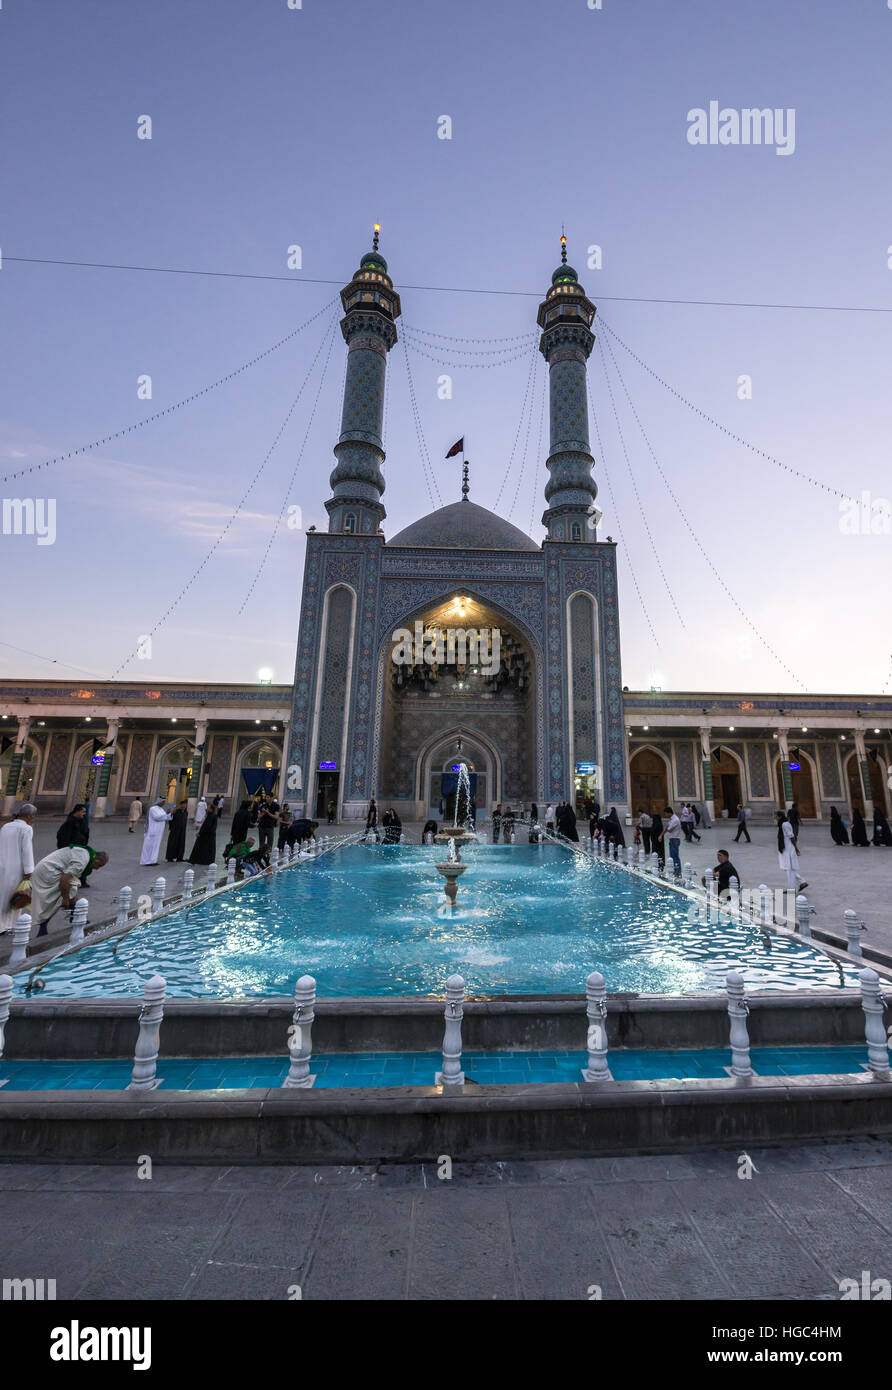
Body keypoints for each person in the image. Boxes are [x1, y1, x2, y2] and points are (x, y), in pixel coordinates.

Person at [31, 845, 108, 937]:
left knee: (72, 889)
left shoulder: (86, 853)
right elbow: (64, 880)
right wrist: (65, 899)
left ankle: (74, 916)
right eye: (99, 865)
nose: (97, 869)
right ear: (96, 859)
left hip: (45, 868)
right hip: (48, 871)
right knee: (60, 896)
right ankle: (44, 929)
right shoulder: (81, 862)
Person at [0, 802, 36, 935]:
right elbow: (26, 850)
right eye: (33, 816)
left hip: (2, 865)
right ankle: (9, 926)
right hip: (16, 868)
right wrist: (28, 871)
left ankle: (1, 925)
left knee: (2, 895)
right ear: (28, 816)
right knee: (15, 896)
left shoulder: (6, 826)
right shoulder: (26, 829)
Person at [776, 809, 807, 893]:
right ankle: (801, 882)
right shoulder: (782, 824)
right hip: (785, 849)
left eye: (776, 817)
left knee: (789, 869)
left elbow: (791, 836)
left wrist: (796, 848)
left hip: (788, 849)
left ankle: (792, 889)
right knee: (789, 869)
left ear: (780, 816)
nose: (776, 818)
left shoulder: (785, 824)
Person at [140, 799, 172, 866]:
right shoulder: (153, 809)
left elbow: (166, 818)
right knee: (149, 846)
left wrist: (170, 814)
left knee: (156, 846)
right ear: (159, 802)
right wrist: (166, 813)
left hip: (159, 831)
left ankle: (153, 860)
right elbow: (157, 817)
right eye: (163, 802)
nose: (164, 803)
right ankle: (146, 861)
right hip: (152, 830)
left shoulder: (161, 809)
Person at [661, 806, 682, 877]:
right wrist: (661, 835)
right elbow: (667, 827)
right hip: (672, 840)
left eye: (666, 814)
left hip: (675, 840)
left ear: (669, 813)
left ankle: (678, 872)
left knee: (675, 857)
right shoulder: (671, 819)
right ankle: (675, 871)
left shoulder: (675, 820)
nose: (665, 815)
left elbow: (669, 829)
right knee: (672, 857)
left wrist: (666, 828)